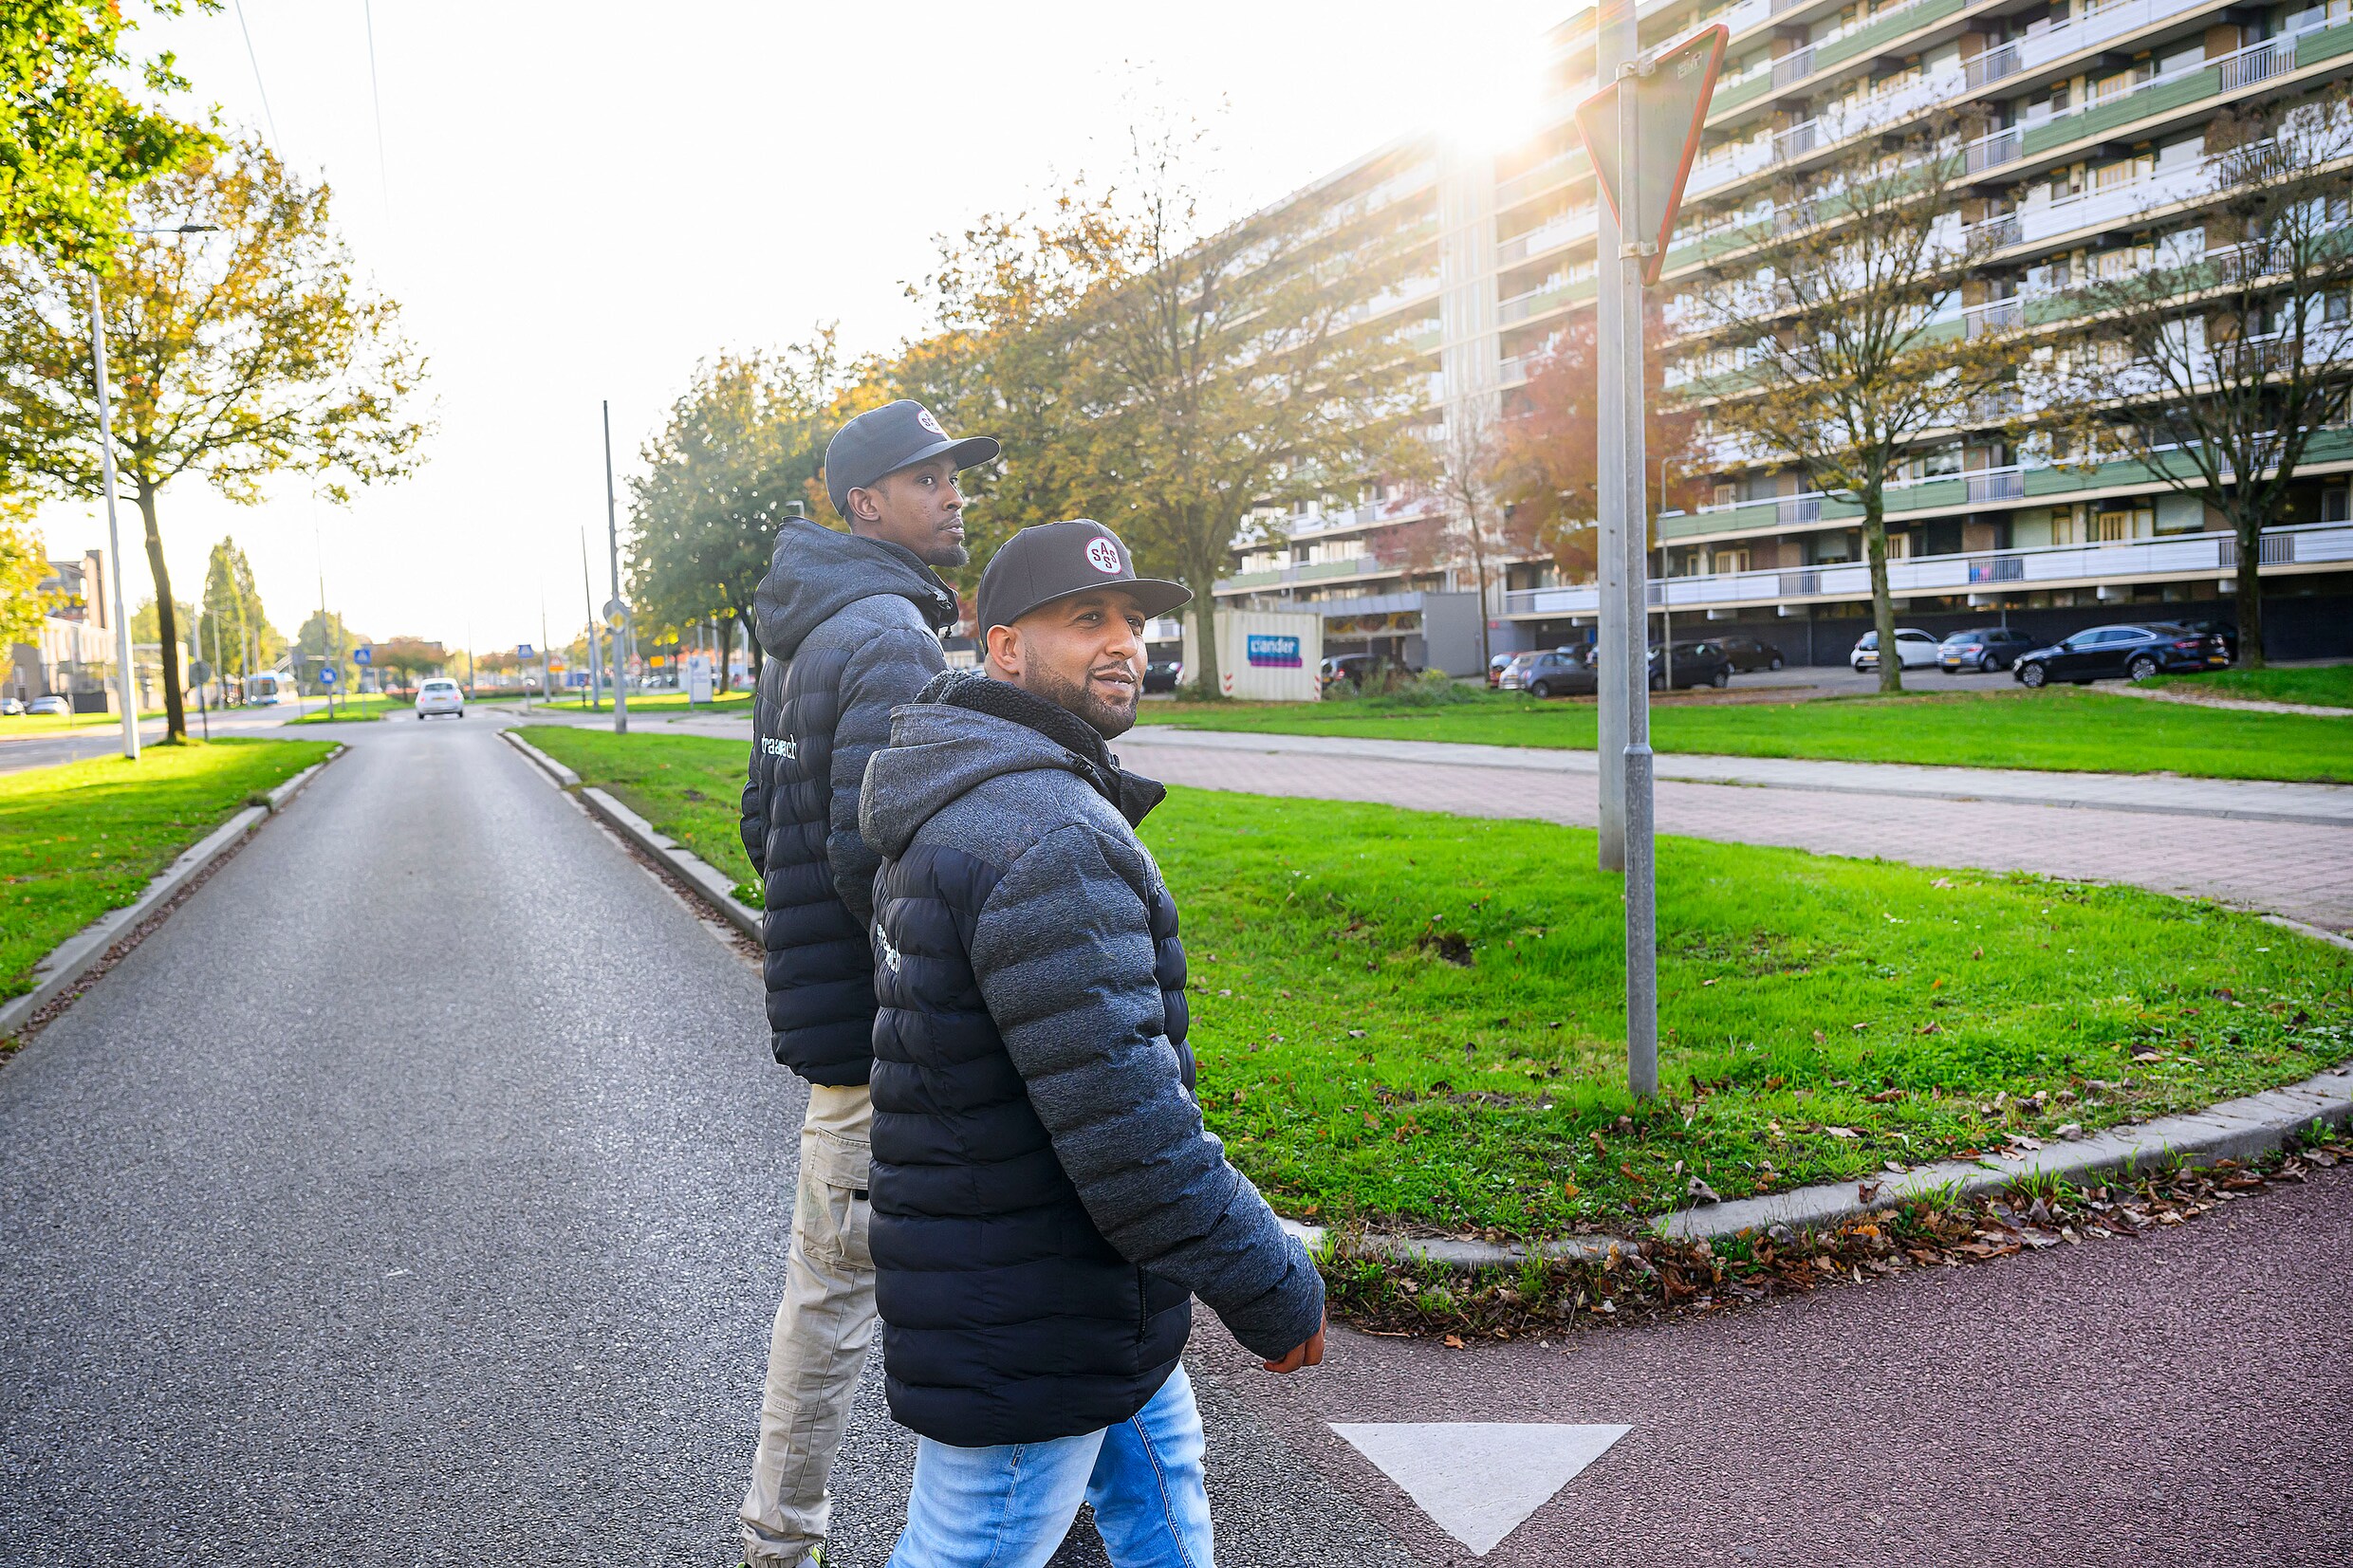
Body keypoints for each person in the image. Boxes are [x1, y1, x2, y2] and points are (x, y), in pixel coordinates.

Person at [859, 520, 1326, 1567]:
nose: (1123, 642)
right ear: (1005, 648)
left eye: (1132, 619)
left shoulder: (965, 795)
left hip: (1068, 1273)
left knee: (1165, 1488)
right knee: (967, 1551)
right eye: (1086, 619)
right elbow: (1131, 1134)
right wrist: (1270, 1277)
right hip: (1031, 1303)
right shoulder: (1045, 835)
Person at [737, 400, 1001, 1568]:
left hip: (838, 1017)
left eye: (954, 475)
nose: (953, 494)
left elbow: (763, 820)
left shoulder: (800, 630)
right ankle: (790, 1543)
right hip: (891, 1035)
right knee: (891, 1289)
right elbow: (877, 853)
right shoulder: (889, 630)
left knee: (838, 1288)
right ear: (864, 506)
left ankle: (781, 1536)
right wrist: (932, 986)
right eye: (927, 478)